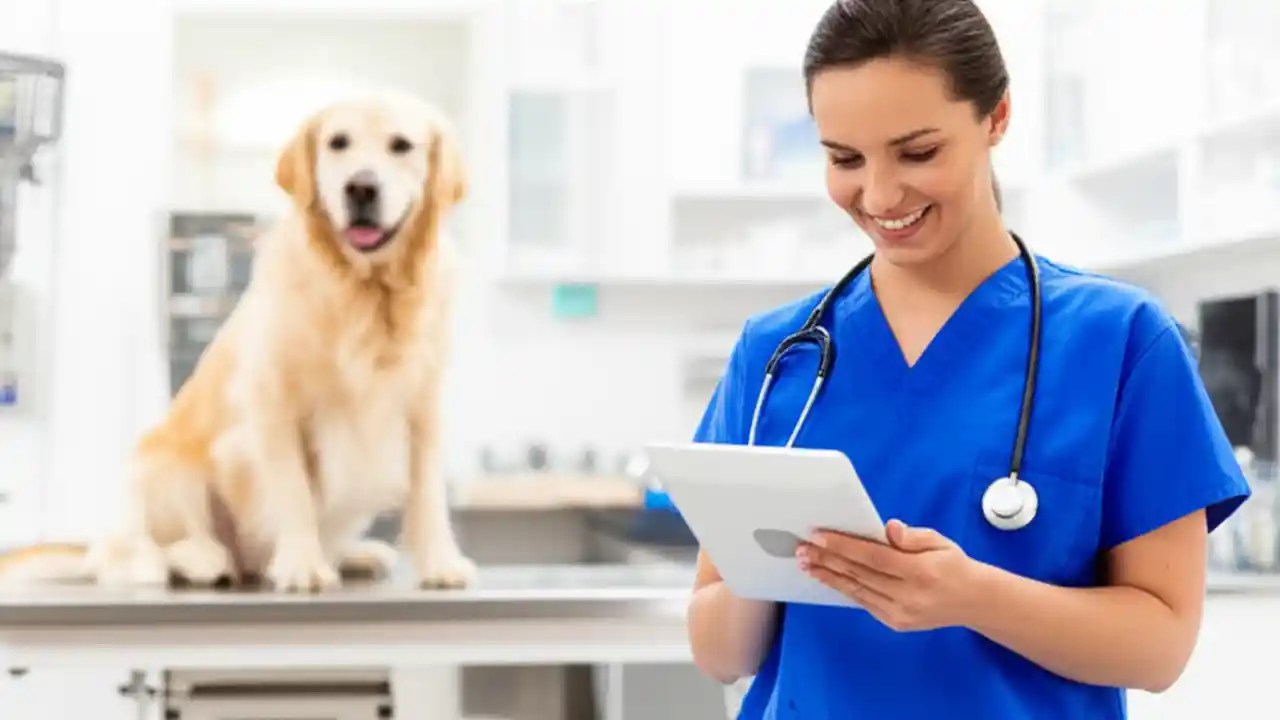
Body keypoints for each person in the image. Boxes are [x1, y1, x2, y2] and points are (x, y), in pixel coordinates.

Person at [684, 0, 1252, 717]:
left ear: (997, 117)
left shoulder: (1122, 342)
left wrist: (969, 596)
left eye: (918, 151)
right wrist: (774, 557)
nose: (881, 194)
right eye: (844, 159)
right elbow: (717, 653)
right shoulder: (774, 356)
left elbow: (1160, 646)